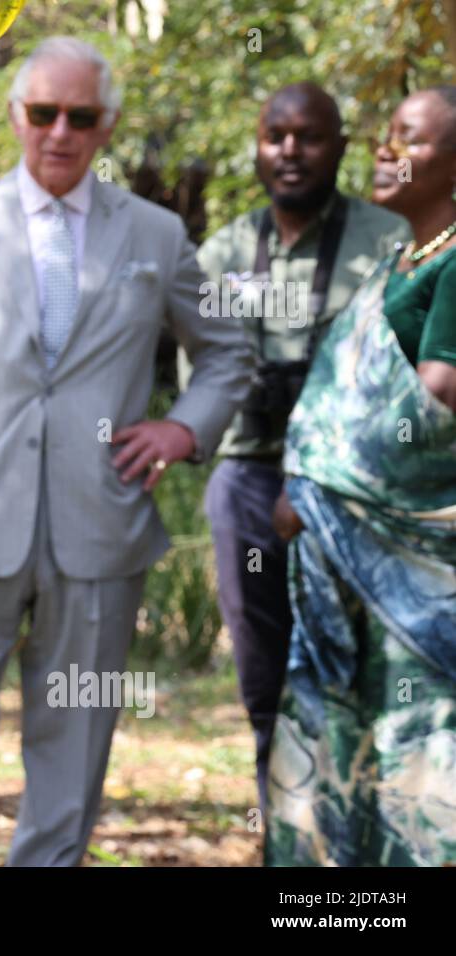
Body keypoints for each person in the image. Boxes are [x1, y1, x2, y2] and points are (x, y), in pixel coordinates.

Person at [0, 37, 252, 866]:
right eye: (43, 113)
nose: (60, 132)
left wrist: (184, 427)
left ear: (107, 124)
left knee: (76, 741)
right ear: (16, 116)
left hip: (100, 525)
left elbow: (227, 348)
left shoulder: (156, 235)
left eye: (80, 117)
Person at [181, 83, 408, 810]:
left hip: (360, 475)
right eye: (275, 135)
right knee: (261, 659)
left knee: (361, 657)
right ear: (257, 145)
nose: (289, 151)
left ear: (340, 145)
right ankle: (280, 805)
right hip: (250, 470)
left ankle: (368, 809)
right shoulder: (224, 251)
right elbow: (201, 371)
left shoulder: (388, 236)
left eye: (309, 136)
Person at [265, 86, 456, 866]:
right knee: (358, 730)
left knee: (418, 740)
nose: (387, 151)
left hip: (416, 559)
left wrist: (319, 487)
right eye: (386, 135)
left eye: (409, 139)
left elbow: (438, 400)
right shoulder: (398, 262)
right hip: (352, 559)